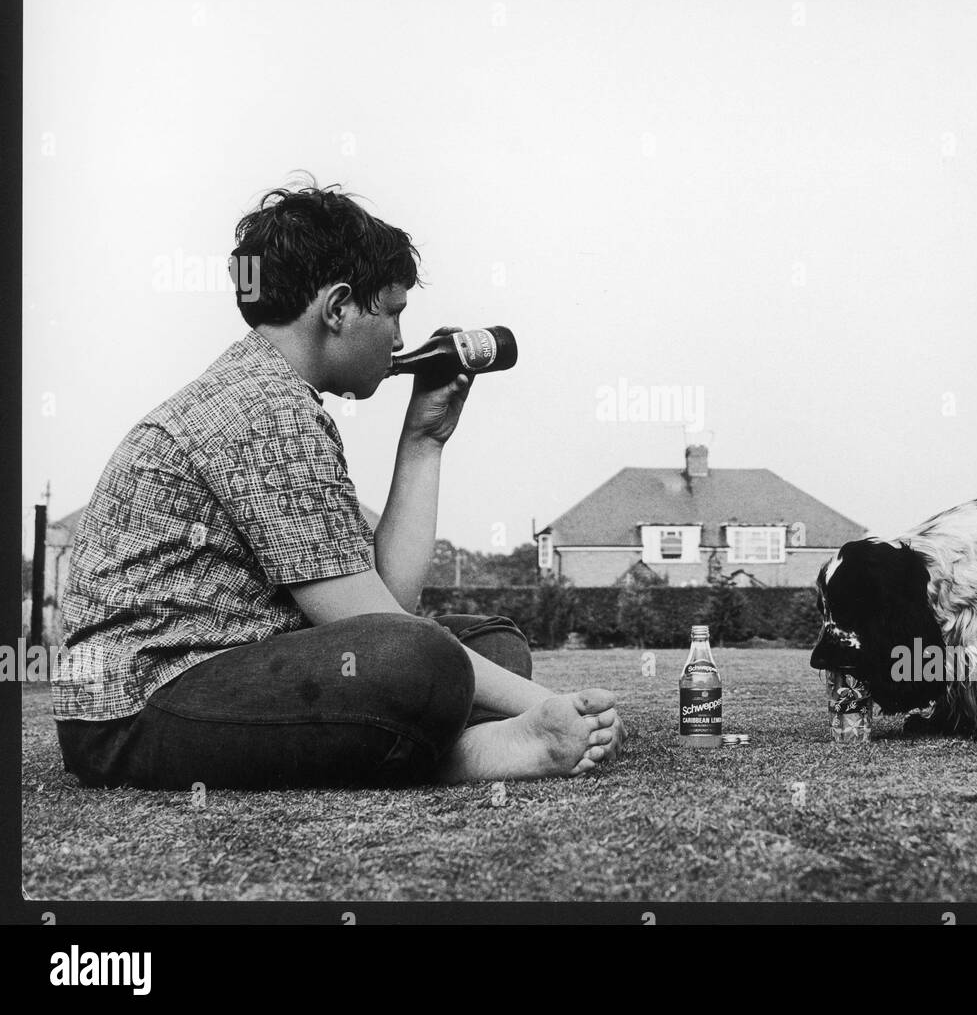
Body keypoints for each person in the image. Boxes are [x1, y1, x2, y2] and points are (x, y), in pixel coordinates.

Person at [53, 181, 625, 789]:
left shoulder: (278, 391)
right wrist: (547, 702)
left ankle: (446, 742)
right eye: (394, 311)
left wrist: (423, 442)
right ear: (339, 308)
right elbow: (382, 629)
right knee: (420, 661)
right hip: (133, 705)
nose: (403, 340)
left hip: (233, 667)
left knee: (488, 642)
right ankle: (474, 753)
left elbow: (389, 608)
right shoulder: (263, 407)